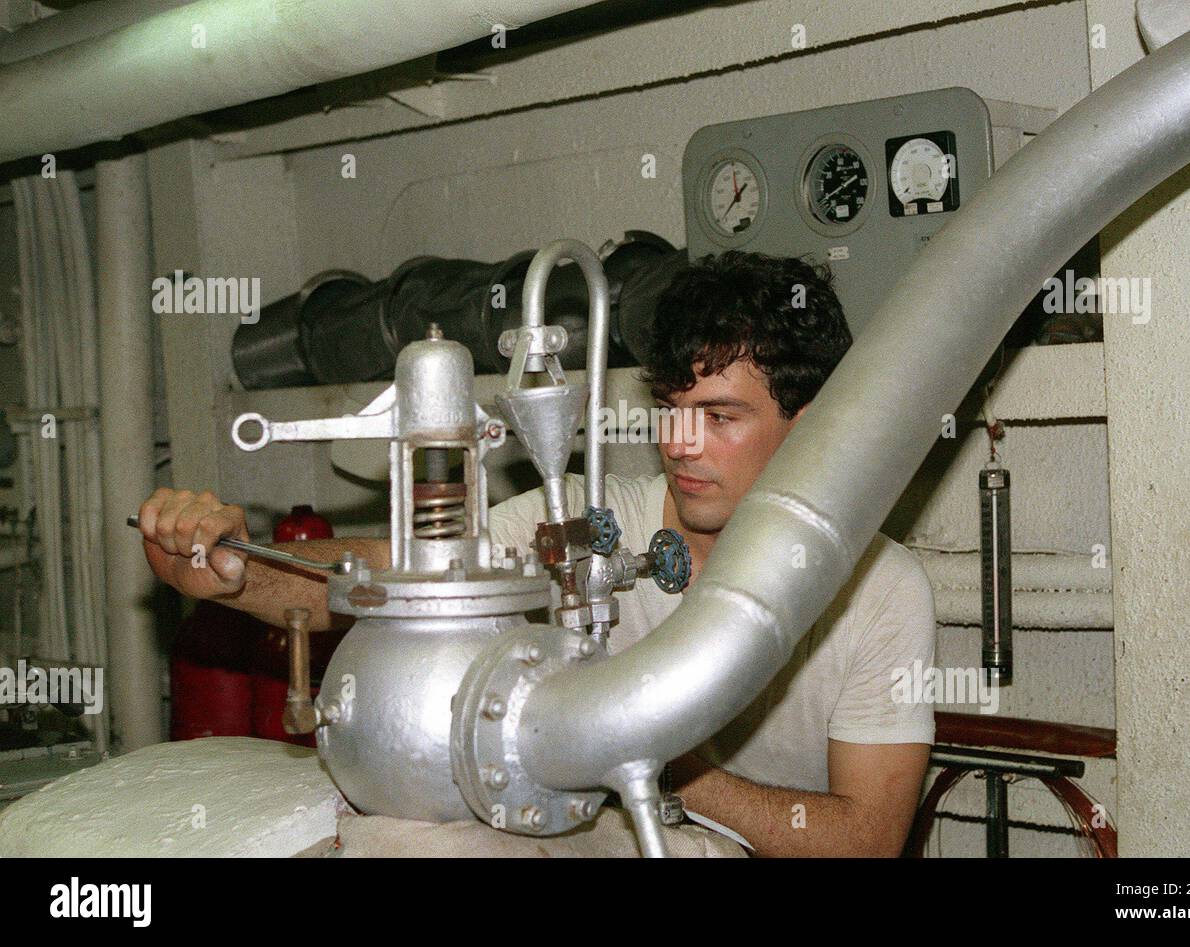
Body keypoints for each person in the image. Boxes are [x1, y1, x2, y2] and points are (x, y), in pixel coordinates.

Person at [139, 250, 937, 857]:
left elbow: (866, 839)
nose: (681, 443)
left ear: (810, 429)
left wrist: (650, 751)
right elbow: (400, 573)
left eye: (721, 416)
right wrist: (233, 570)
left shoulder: (880, 590)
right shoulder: (590, 521)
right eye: (670, 408)